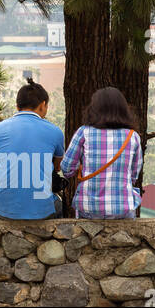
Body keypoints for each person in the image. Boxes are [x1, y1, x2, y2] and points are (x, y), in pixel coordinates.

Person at [60, 86, 143, 219]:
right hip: (122, 209)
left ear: (93, 109)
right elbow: (133, 176)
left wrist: (80, 167)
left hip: (89, 209)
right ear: (124, 110)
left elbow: (66, 169)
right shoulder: (133, 137)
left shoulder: (84, 132)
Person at [0, 81, 65, 219]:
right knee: (59, 204)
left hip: (4, 210)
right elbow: (57, 167)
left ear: (17, 107)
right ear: (43, 105)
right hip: (42, 212)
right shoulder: (55, 131)